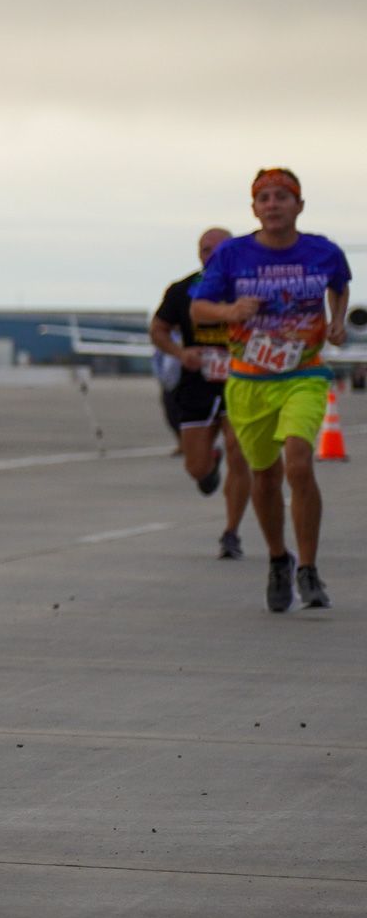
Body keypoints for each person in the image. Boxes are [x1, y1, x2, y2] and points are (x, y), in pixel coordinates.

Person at [189, 168, 350, 612]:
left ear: (299, 205)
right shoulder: (232, 255)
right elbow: (199, 310)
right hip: (249, 380)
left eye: (282, 197)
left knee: (299, 463)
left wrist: (336, 321)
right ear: (254, 209)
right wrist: (231, 309)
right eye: (264, 198)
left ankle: (309, 569)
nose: (273, 204)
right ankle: (279, 558)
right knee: (264, 474)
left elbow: (340, 285)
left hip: (303, 375)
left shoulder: (323, 251)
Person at [149, 227, 251, 559]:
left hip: (242, 380)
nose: (211, 255)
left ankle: (231, 532)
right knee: (195, 468)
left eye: (219, 249)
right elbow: (158, 329)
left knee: (240, 452)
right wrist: (181, 355)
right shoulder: (183, 290)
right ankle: (210, 463)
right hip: (197, 381)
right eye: (205, 250)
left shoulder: (250, 287)